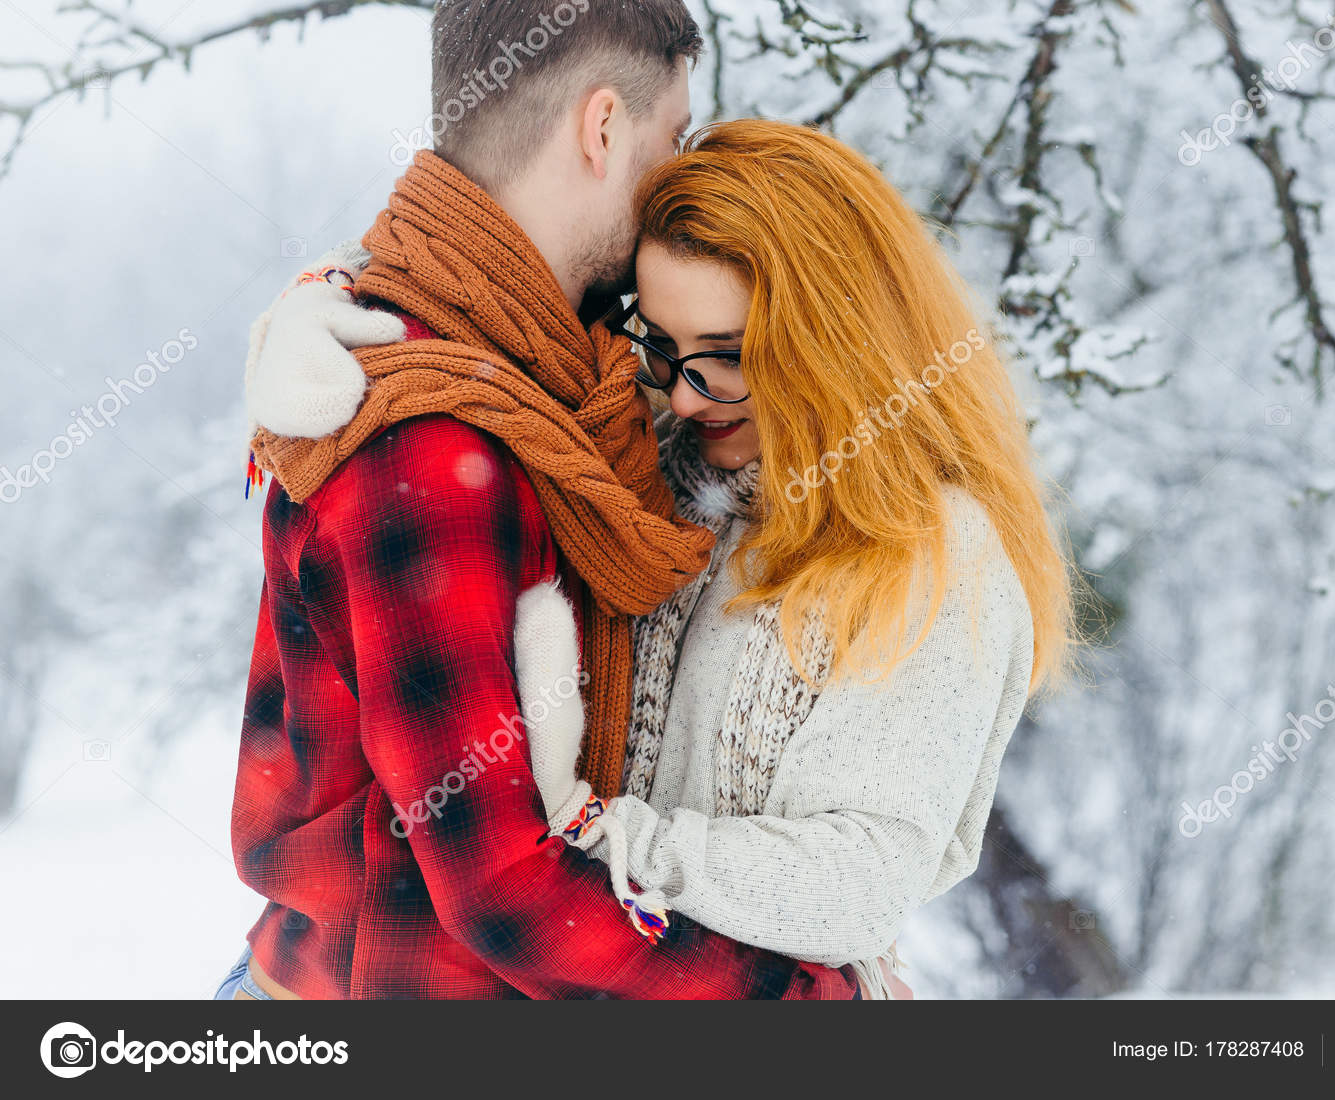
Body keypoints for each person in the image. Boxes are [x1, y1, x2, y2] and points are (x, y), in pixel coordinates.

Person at [244, 119, 1083, 999]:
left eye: (725, 355)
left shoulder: (932, 557)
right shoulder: (648, 454)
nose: (684, 393)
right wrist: (329, 298)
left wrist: (591, 835)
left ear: (838, 337)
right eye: (667, 347)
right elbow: (496, 299)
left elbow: (857, 877)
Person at [222, 0, 856, 1000]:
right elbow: (504, 894)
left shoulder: (509, 365)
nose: (675, 180)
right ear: (602, 127)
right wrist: (821, 1003)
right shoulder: (426, 443)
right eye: (672, 140)